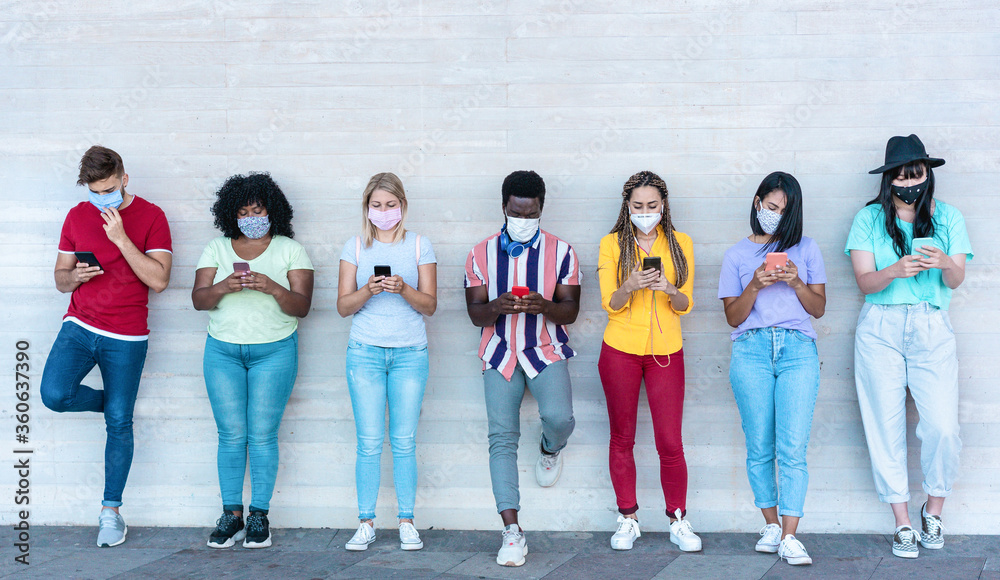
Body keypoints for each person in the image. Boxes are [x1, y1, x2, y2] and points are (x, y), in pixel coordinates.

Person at [846, 135, 972, 559]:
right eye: (900, 175)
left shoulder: (949, 217)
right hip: (879, 327)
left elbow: (956, 281)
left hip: (931, 325)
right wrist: (896, 270)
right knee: (884, 426)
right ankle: (902, 523)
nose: (909, 182)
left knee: (942, 427)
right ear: (888, 180)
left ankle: (932, 509)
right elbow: (865, 282)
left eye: (915, 174)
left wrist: (944, 263)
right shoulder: (867, 219)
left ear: (927, 174)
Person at [40, 145, 173, 547]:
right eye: (95, 192)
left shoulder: (152, 216)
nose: (102, 199)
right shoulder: (77, 216)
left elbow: (159, 280)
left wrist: (121, 238)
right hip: (79, 325)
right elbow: (60, 279)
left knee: (119, 423)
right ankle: (114, 401)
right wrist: (75, 276)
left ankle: (111, 513)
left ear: (124, 178)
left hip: (127, 335)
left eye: (110, 189)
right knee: (54, 394)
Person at [464, 170, 580, 567]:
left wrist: (543, 306)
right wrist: (497, 306)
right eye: (517, 212)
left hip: (545, 348)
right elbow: (475, 314)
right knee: (501, 437)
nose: (523, 219)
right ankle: (512, 531)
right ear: (504, 208)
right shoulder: (480, 253)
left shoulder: (562, 252)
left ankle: (550, 448)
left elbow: (571, 310)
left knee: (560, 418)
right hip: (499, 352)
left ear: (541, 209)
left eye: (531, 214)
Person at [192, 173, 314, 549]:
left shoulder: (290, 249)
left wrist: (273, 287)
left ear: (271, 210)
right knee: (230, 435)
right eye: (243, 211)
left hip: (275, 351)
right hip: (222, 351)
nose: (250, 217)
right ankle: (231, 515)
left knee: (261, 435)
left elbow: (303, 306)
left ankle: (259, 515)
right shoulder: (216, 248)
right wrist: (223, 286)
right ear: (231, 213)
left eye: (257, 210)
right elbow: (199, 300)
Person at [718, 172, 826, 566]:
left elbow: (818, 309)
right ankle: (770, 525)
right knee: (760, 444)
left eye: (785, 211)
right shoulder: (735, 256)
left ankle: (791, 536)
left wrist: (797, 282)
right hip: (751, 351)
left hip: (797, 349)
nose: (777, 216)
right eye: (772, 207)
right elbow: (732, 317)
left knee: (792, 447)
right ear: (757, 203)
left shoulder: (808, 249)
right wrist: (755, 286)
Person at [597, 170, 701, 553]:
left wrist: (669, 288)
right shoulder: (611, 244)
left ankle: (677, 519)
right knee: (621, 437)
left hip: (665, 353)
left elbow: (685, 304)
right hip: (620, 350)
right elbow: (611, 302)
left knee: (670, 441)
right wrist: (631, 284)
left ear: (663, 207)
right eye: (638, 206)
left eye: (652, 206)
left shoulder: (680, 243)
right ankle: (627, 517)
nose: (645, 212)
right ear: (627, 207)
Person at [337, 173, 438, 552]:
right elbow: (342, 307)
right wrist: (368, 289)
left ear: (403, 206)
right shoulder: (356, 247)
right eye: (376, 205)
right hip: (364, 352)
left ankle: (407, 521)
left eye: (390, 205)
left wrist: (404, 289)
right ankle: (366, 522)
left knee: (404, 440)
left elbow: (430, 305)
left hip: (410, 353)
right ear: (367, 207)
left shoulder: (419, 245)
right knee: (368, 443)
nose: (384, 212)